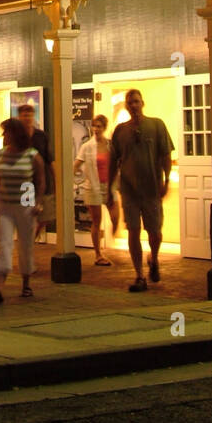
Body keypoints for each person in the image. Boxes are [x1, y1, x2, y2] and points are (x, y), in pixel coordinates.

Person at [107, 89, 174, 292]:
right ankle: (139, 275)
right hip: (129, 191)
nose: (133, 105)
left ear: (142, 103)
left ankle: (153, 258)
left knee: (155, 232)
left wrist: (166, 180)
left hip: (152, 188)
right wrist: (109, 189)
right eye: (130, 102)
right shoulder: (120, 131)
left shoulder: (156, 125)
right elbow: (113, 161)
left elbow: (165, 156)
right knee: (133, 231)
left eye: (136, 101)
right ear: (126, 106)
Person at [0, 117, 44, 302]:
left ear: (15, 134)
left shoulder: (31, 155)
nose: (4, 135)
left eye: (7, 132)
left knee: (26, 244)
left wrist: (38, 202)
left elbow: (40, 180)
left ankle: (26, 283)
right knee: (4, 243)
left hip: (25, 200)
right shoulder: (0, 154)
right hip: (5, 203)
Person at [74, 115, 118, 265]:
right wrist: (72, 181)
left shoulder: (110, 145)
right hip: (92, 186)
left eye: (99, 126)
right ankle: (98, 254)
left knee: (115, 216)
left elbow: (117, 163)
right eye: (94, 126)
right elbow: (77, 164)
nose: (96, 129)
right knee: (96, 221)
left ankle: (113, 236)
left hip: (109, 185)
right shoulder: (87, 146)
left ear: (104, 128)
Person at [18, 103, 55, 242]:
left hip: (42, 182)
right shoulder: (15, 137)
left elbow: (50, 159)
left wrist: (56, 180)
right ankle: (27, 240)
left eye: (29, 115)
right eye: (24, 115)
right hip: (24, 184)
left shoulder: (41, 136)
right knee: (27, 216)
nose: (27, 118)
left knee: (45, 216)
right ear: (19, 117)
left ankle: (32, 236)